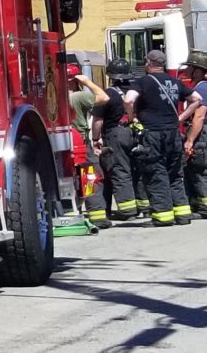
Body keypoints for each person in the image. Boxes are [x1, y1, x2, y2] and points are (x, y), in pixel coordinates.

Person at [127, 51, 189, 228]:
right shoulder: (176, 82)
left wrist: (132, 118)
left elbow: (128, 99)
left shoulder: (143, 82)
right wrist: (180, 118)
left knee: (156, 173)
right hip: (173, 133)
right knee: (175, 173)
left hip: (152, 134)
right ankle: (183, 214)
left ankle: (163, 216)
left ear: (148, 63)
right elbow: (196, 99)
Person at [93, 58, 141, 226]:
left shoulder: (107, 94)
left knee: (120, 170)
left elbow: (98, 119)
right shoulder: (136, 90)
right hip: (135, 132)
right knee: (137, 169)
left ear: (111, 76)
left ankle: (128, 210)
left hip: (116, 134)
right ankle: (143, 205)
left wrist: (95, 139)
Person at [64, 62, 106, 226]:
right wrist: (87, 82)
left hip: (65, 142)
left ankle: (72, 212)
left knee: (71, 178)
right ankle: (98, 216)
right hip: (81, 141)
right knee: (91, 176)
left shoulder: (57, 97)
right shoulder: (79, 96)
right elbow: (103, 97)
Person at [182, 54, 207, 221]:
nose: (186, 70)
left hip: (202, 131)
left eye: (189, 67)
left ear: (197, 70)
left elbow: (199, 117)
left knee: (202, 168)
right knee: (197, 167)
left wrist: (190, 140)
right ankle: (202, 206)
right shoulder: (206, 86)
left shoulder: (201, 89)